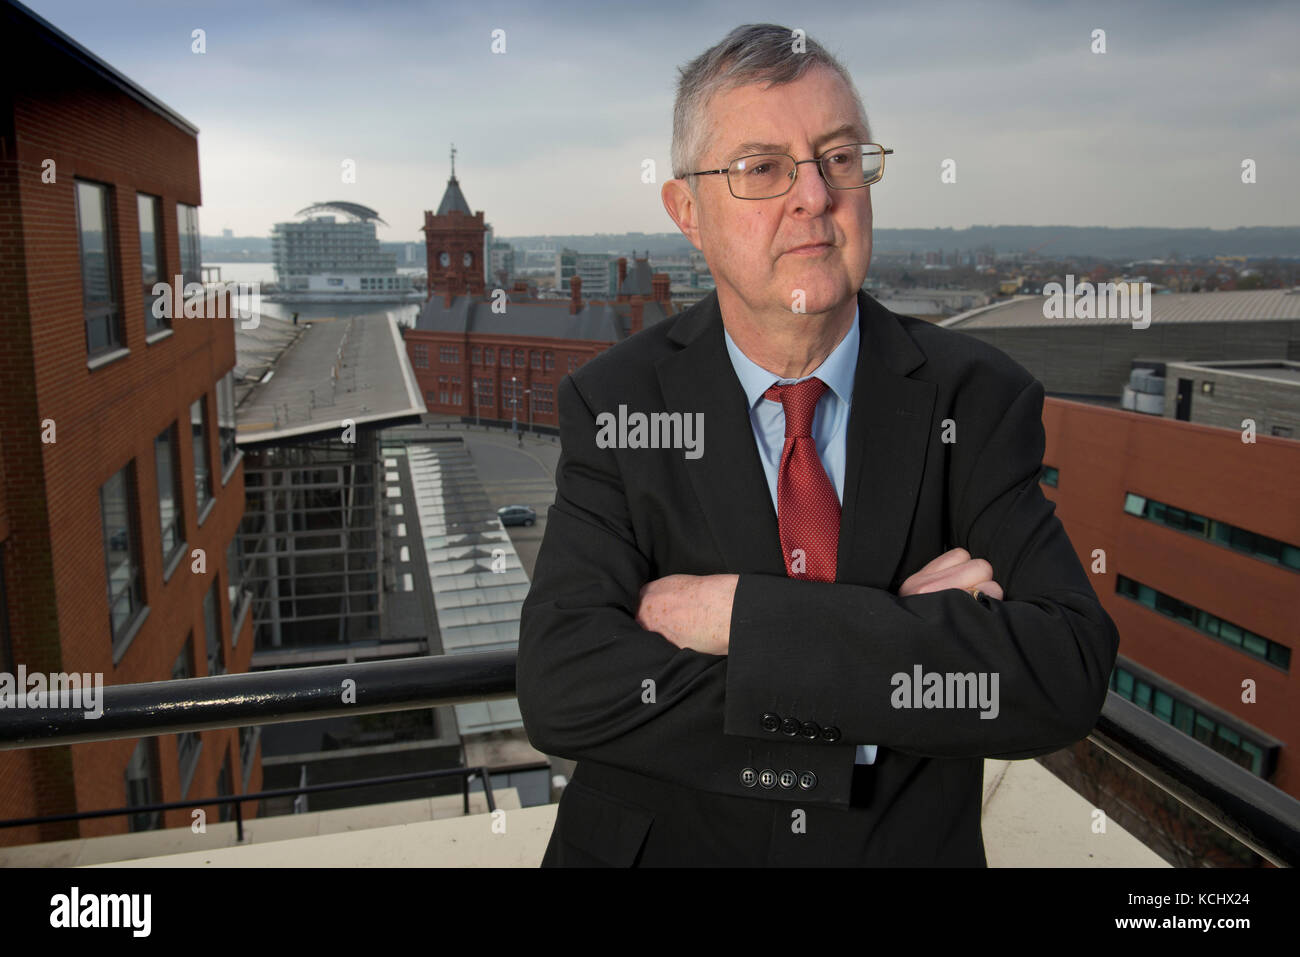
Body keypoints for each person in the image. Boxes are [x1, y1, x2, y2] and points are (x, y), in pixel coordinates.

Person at [516, 22, 1120, 867]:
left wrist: (740, 619)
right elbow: (564, 686)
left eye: (839, 158)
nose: (814, 197)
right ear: (687, 212)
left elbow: (1062, 669)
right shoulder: (618, 400)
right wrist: (893, 659)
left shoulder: (975, 397)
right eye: (762, 168)